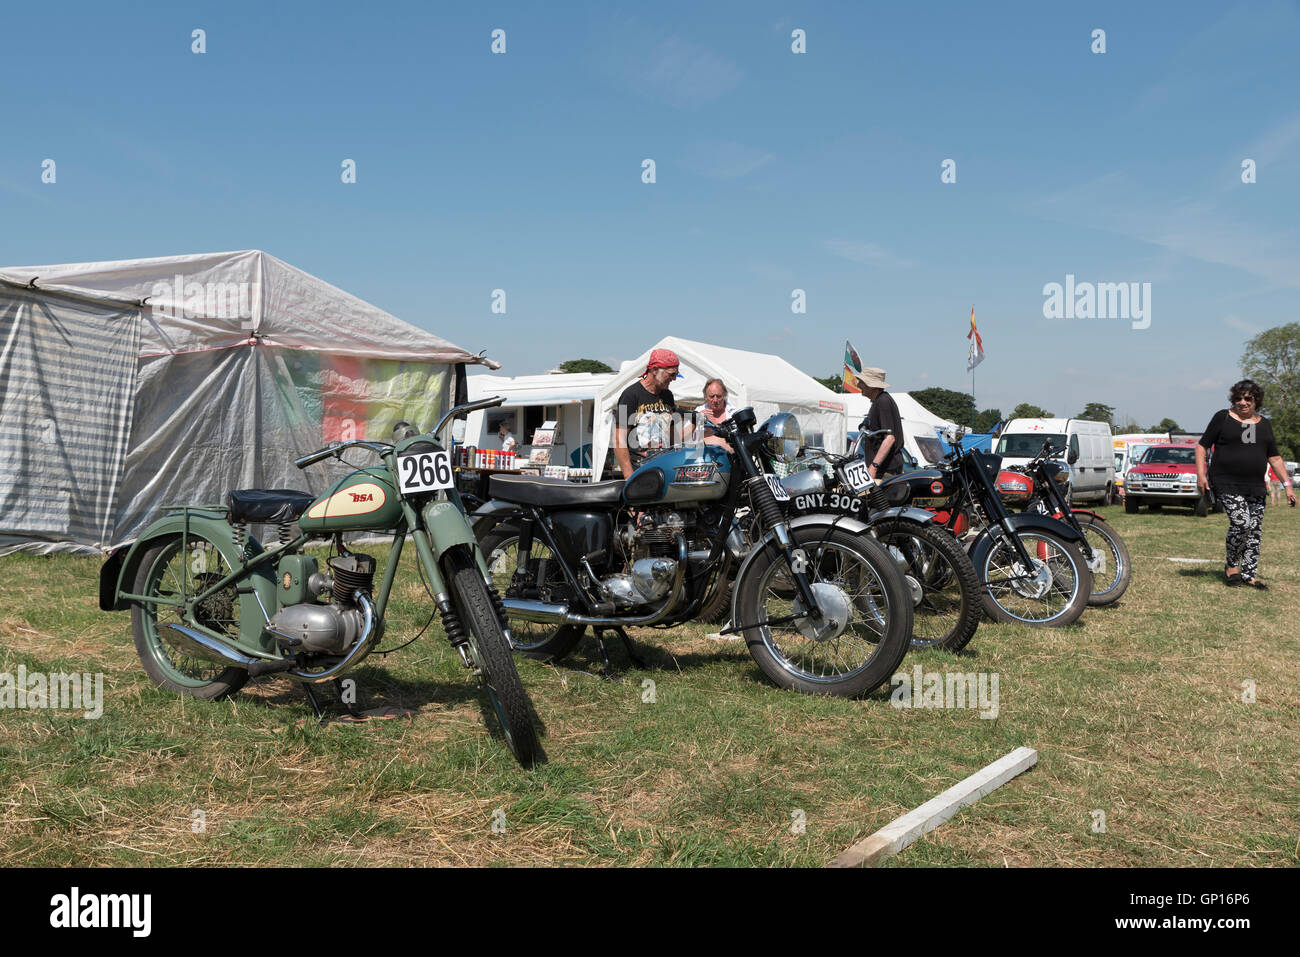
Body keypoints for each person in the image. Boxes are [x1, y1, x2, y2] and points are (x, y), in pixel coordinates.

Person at [1196, 379, 1296, 588]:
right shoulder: (1222, 417)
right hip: (1226, 481)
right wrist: (1200, 474)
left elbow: (1275, 458)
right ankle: (1232, 566)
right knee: (1241, 523)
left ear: (1256, 401)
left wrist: (1287, 486)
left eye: (1247, 398)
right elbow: (1202, 446)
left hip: (1255, 485)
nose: (1242, 402)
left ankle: (1249, 574)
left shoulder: (1265, 424)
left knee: (1254, 530)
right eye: (1238, 398)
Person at [613, 348, 681, 478]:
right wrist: (629, 476)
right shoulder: (629, 395)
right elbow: (618, 439)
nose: (674, 379)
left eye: (676, 374)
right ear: (655, 370)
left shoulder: (668, 395)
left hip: (664, 470)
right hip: (639, 471)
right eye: (671, 374)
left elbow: (672, 435)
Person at [854, 367, 905, 480]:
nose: (858, 385)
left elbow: (890, 438)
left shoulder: (883, 401)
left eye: (862, 382)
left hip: (886, 470)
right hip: (884, 468)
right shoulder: (878, 401)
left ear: (872, 385)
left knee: (881, 498)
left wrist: (874, 467)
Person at [694, 377, 736, 452]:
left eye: (719, 396)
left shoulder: (733, 412)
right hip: (706, 459)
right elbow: (687, 439)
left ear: (724, 395)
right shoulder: (698, 411)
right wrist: (697, 419)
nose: (715, 400)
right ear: (706, 396)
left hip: (732, 459)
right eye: (712, 396)